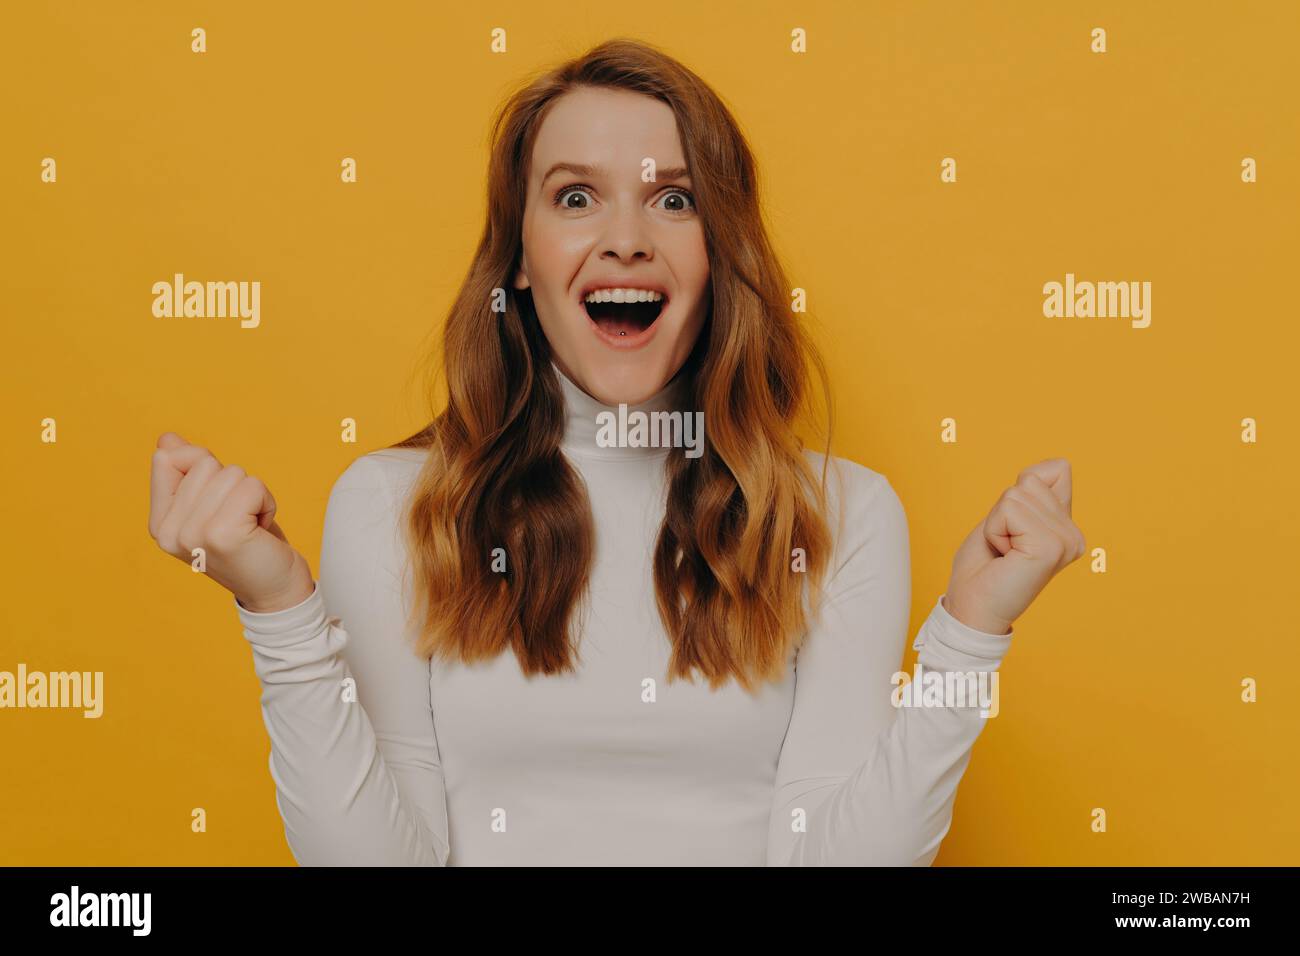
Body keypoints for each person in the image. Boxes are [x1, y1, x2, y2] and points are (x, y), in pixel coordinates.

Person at [147, 38, 1085, 866]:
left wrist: (969, 632)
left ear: (720, 250)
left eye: (673, 200)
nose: (627, 240)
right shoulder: (393, 505)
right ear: (520, 256)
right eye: (576, 196)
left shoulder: (839, 513)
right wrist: (278, 610)